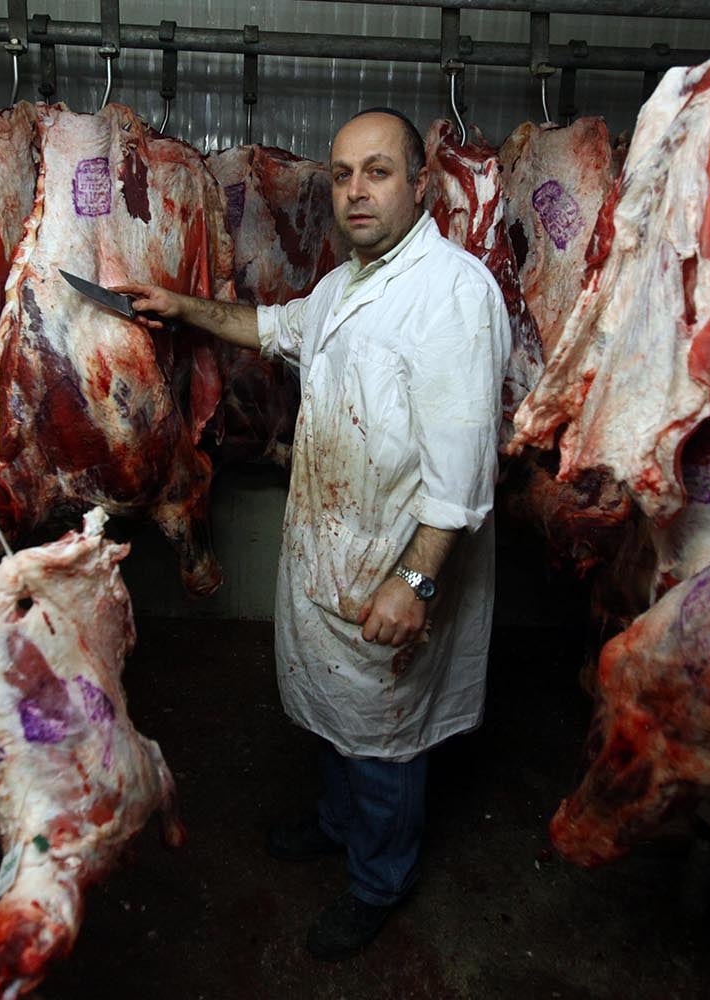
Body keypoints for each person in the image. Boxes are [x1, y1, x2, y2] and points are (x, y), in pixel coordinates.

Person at [113, 107, 510, 961]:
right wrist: (180, 306)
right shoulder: (344, 284)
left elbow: (463, 472)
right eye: (342, 175)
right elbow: (272, 328)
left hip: (394, 569)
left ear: (420, 184)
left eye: (378, 172)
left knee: (385, 743)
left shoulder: (452, 294)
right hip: (333, 557)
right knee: (338, 717)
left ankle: (379, 881)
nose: (356, 191)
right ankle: (337, 823)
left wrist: (417, 583)